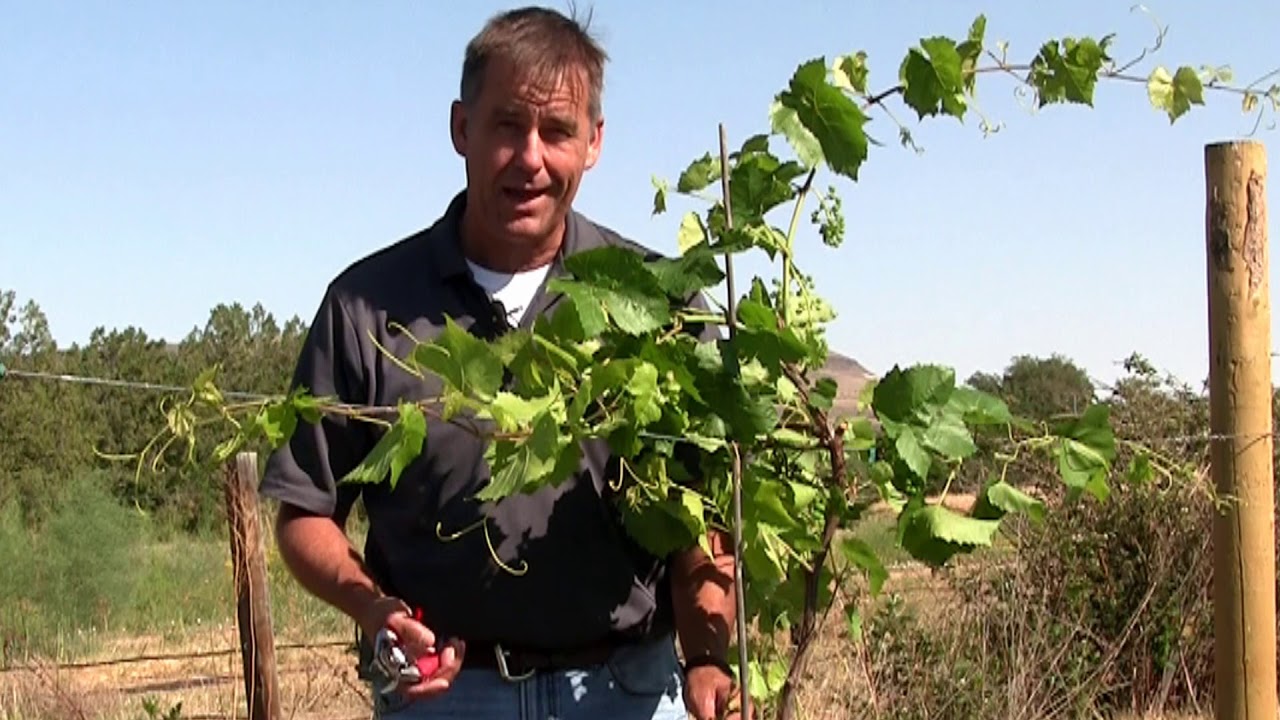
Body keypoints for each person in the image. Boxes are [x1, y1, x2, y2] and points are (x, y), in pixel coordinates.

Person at [259, 6, 745, 719]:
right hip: (446, 696)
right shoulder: (367, 308)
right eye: (507, 126)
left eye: (558, 132)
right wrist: (377, 609)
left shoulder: (658, 308)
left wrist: (706, 656)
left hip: (629, 692)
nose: (532, 158)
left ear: (595, 144)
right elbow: (304, 511)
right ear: (462, 129)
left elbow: (698, 511)